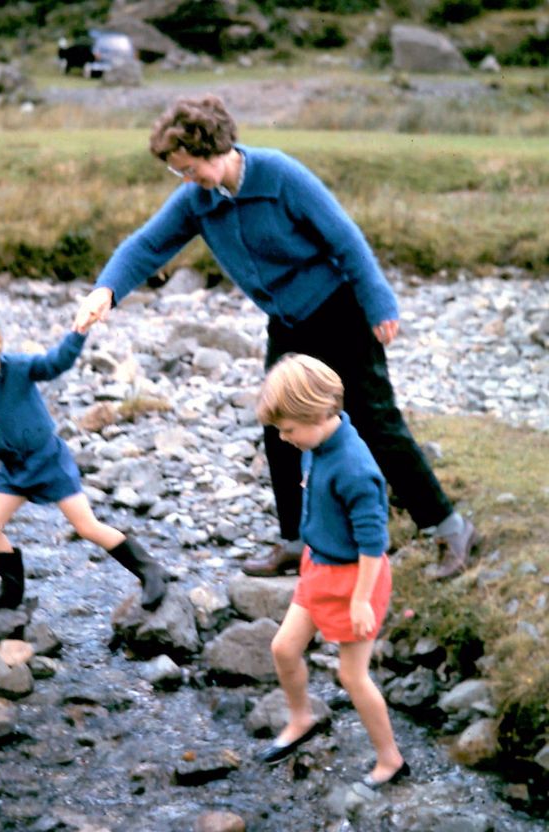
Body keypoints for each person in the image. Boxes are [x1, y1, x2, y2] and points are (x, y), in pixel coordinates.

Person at [72, 93, 478, 581]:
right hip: (286, 324)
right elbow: (146, 244)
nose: (186, 179)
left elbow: (345, 238)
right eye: (177, 171)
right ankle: (296, 541)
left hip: (340, 311)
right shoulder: (197, 201)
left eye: (190, 167)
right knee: (278, 423)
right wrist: (106, 291)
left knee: (375, 422)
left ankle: (449, 527)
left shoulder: (280, 176)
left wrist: (379, 303)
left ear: (218, 148)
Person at [0, 311, 168, 612]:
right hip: (13, 469)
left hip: (48, 460)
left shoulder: (18, 369)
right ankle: (11, 591)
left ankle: (150, 571)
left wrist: (78, 333)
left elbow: (55, 363)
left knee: (86, 526)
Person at [253, 354, 409, 788]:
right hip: (318, 567)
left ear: (320, 414)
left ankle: (390, 758)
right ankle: (301, 718)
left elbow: (374, 545)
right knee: (284, 649)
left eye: (288, 430)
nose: (283, 439)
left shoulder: (356, 471)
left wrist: (360, 599)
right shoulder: (315, 442)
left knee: (351, 675)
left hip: (355, 579)